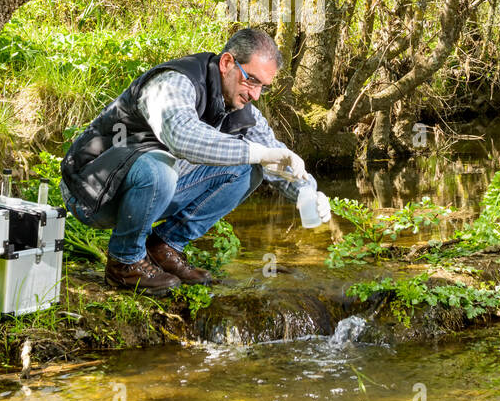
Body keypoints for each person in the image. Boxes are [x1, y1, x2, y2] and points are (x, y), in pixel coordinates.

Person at [60, 26, 331, 295]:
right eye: (252, 80)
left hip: (147, 189)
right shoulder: (173, 83)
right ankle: (125, 261)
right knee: (159, 167)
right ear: (227, 63)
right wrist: (258, 153)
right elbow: (181, 135)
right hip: (91, 193)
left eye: (263, 87)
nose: (255, 95)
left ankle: (163, 247)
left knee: (248, 168)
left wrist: (307, 191)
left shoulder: (240, 107)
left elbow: (276, 155)